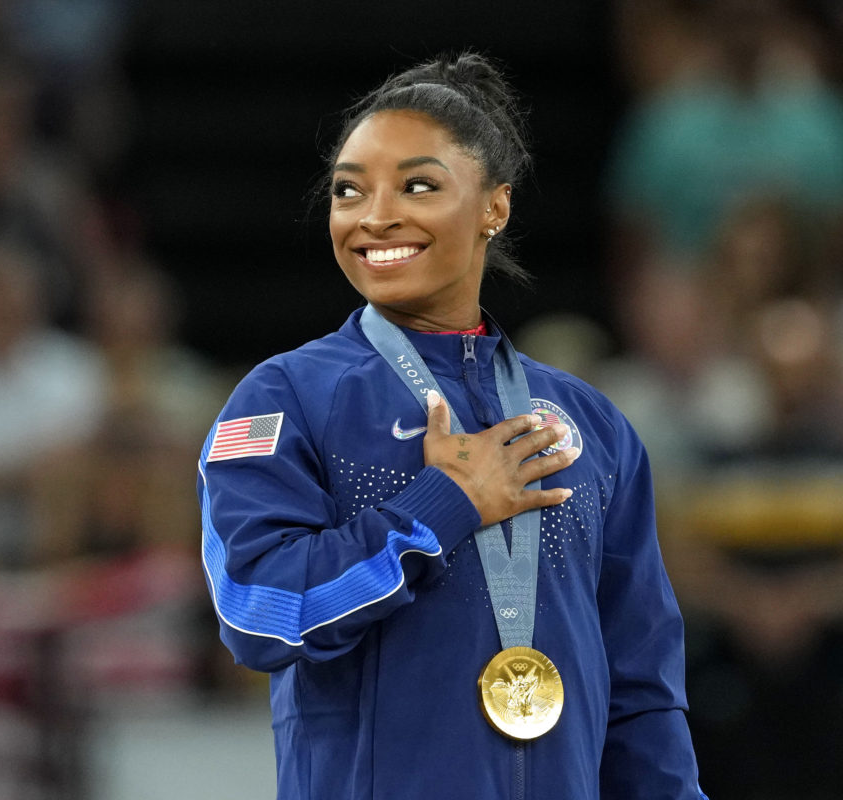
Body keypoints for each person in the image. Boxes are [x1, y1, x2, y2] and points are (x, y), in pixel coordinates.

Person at [196, 52, 708, 799]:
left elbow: (643, 689)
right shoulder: (286, 398)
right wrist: (441, 508)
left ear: (494, 208)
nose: (375, 216)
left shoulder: (590, 425)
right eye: (348, 190)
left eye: (418, 186)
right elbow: (257, 611)